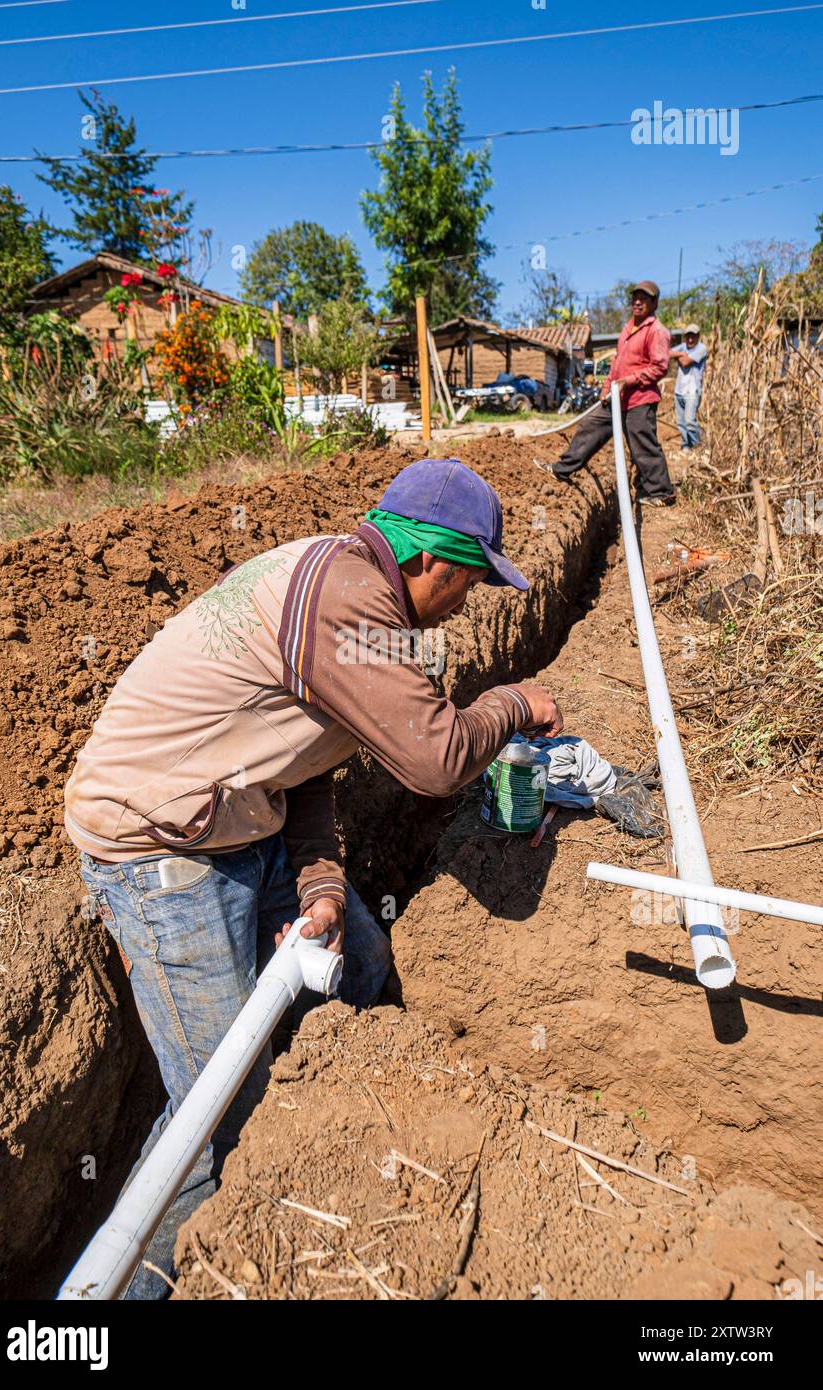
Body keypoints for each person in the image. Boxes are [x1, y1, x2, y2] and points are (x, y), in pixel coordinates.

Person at [64, 457, 563, 1298]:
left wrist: (321, 883)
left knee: (362, 963)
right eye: (470, 581)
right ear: (431, 563)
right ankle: (102, 1310)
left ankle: (346, 1138)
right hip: (158, 848)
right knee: (215, 1113)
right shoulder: (351, 603)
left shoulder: (347, 580)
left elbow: (305, 763)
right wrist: (513, 703)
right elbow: (438, 762)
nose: (469, 603)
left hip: (233, 818)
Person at [539, 281, 675, 506]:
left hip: (640, 399)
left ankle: (662, 492)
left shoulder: (657, 331)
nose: (638, 302)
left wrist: (629, 381)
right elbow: (617, 363)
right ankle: (562, 469)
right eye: (635, 298)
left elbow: (660, 367)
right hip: (616, 397)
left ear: (654, 303)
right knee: (590, 427)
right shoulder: (627, 329)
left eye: (644, 299)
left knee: (642, 444)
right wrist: (606, 387)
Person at [670, 324, 708, 450]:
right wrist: (681, 353)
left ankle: (698, 446)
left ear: (698, 336)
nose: (690, 340)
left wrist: (678, 355)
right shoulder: (683, 347)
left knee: (690, 422)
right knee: (681, 423)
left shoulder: (702, 348)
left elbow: (685, 362)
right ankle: (685, 446)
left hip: (692, 391)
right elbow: (667, 353)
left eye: (693, 336)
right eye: (688, 336)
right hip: (679, 390)